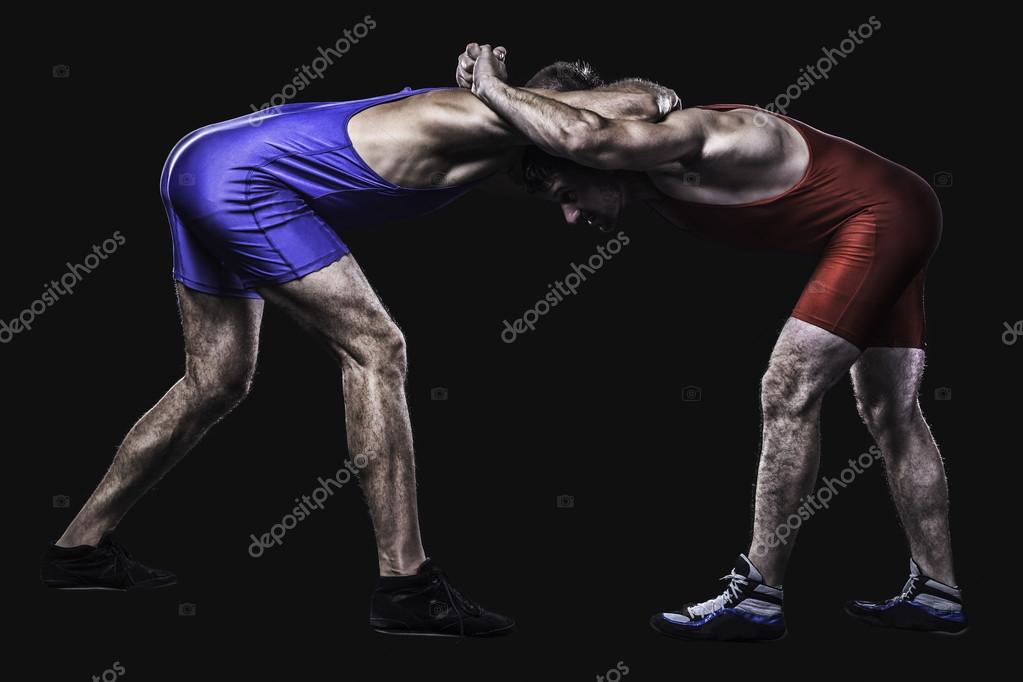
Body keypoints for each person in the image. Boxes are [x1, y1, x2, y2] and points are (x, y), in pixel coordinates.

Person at [39, 49, 677, 638]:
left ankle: (78, 550)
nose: (572, 215)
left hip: (201, 159)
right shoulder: (489, 114)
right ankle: (406, 585)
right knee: (377, 349)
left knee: (216, 380)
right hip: (242, 180)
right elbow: (639, 103)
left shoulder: (491, 142)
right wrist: (667, 104)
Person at [458, 43, 966, 640]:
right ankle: (939, 593)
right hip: (898, 210)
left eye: (567, 197)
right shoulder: (650, 167)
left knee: (787, 390)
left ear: (599, 158)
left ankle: (758, 596)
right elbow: (602, 119)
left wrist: (491, 85)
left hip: (881, 219)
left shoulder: (691, 138)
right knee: (890, 410)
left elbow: (582, 137)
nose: (572, 219)